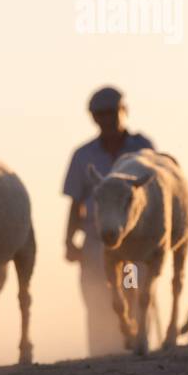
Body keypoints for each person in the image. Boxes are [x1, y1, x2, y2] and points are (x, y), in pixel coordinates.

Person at [62, 86, 154, 356]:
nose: (106, 119)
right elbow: (75, 202)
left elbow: (154, 194)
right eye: (100, 114)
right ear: (93, 118)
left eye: (111, 112)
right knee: (96, 294)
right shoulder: (83, 155)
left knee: (132, 288)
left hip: (135, 237)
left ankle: (138, 344)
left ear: (122, 111)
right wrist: (69, 241)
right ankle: (101, 355)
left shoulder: (142, 148)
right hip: (96, 237)